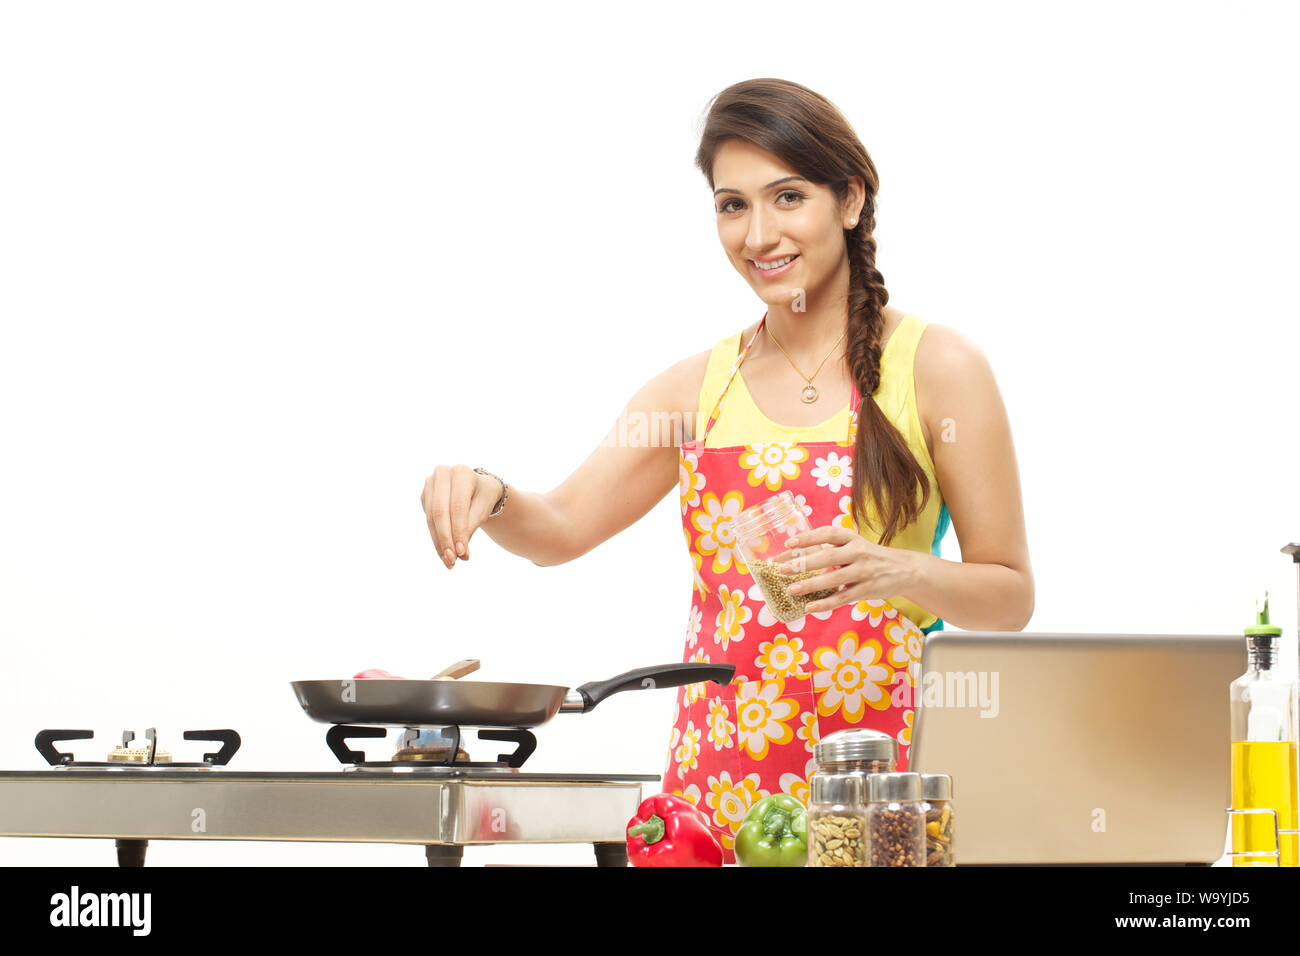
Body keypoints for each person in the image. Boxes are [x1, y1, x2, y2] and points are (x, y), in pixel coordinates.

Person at [419, 77, 1033, 861]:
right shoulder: (695, 389)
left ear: (849, 200)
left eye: (787, 197)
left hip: (882, 797)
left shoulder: (938, 367)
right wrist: (490, 491)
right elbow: (561, 529)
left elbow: (1009, 593)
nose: (758, 235)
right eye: (732, 204)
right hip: (714, 805)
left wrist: (893, 572)